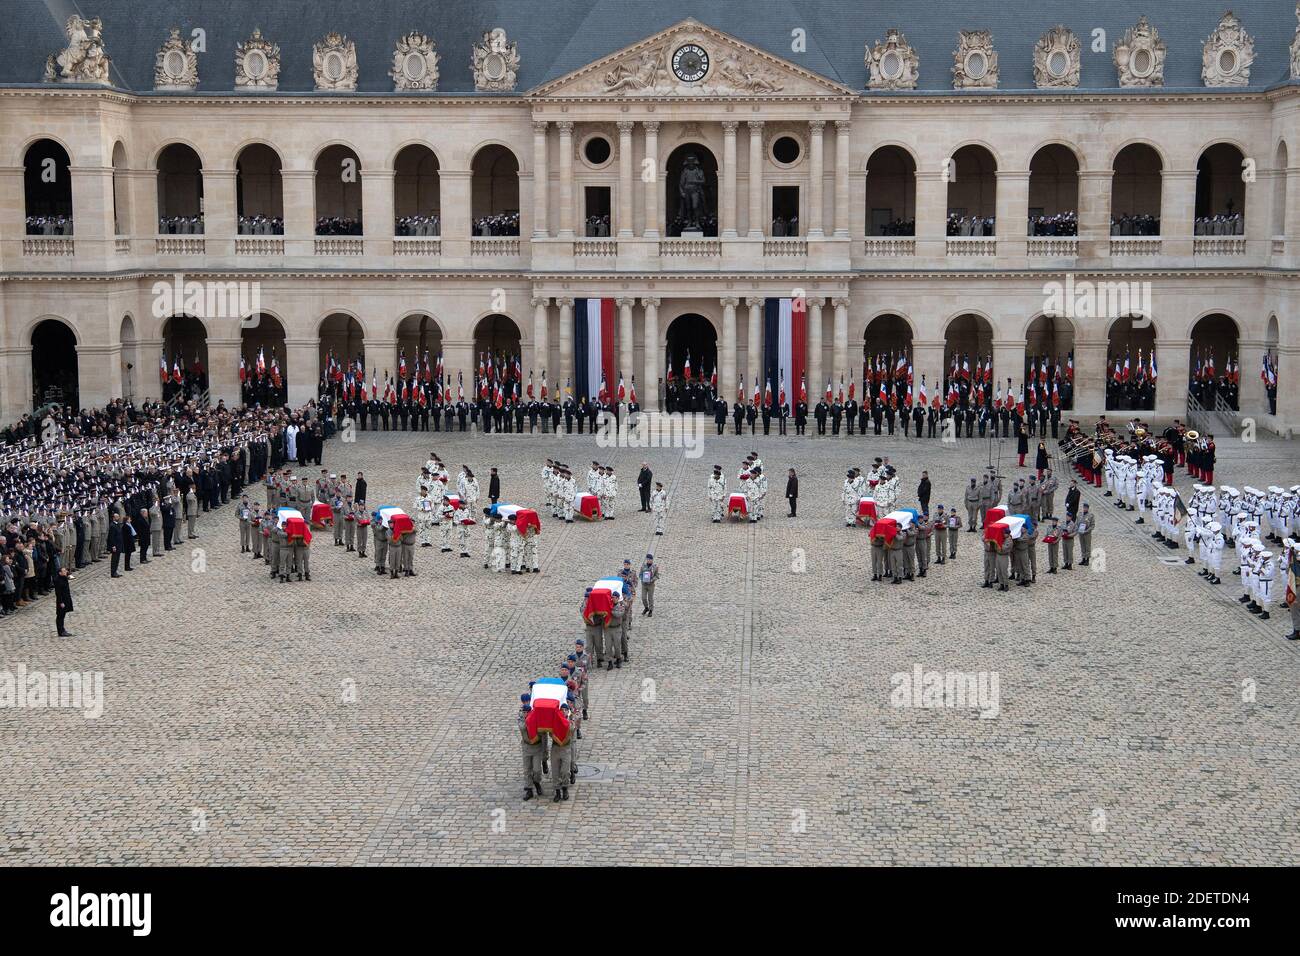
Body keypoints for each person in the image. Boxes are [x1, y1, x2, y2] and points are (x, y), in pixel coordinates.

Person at [54, 565, 73, 637]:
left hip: (66, 598)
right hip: (61, 600)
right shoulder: (58, 581)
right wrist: (61, 602)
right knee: (60, 616)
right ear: (60, 573)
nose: (66, 572)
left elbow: (69, 574)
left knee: (63, 615)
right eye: (64, 571)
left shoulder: (63, 578)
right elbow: (58, 593)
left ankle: (62, 629)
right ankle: (60, 631)